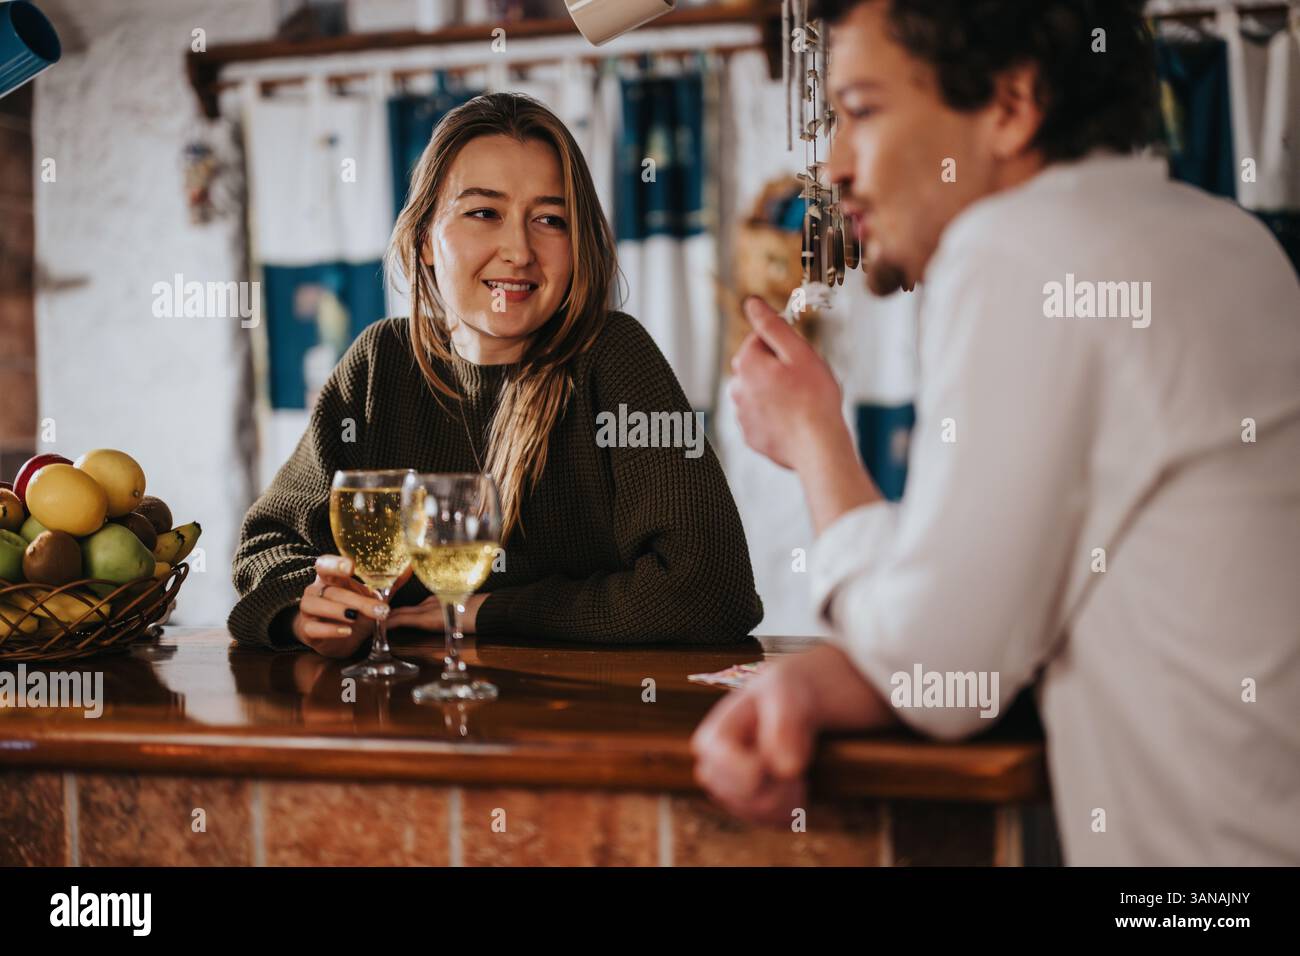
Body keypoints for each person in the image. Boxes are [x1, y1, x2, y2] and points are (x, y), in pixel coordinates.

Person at [692, 0, 1300, 865]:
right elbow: (993, 601)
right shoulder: (1231, 242)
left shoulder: (1023, 251)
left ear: (1012, 106)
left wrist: (813, 439)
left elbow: (943, 675)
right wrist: (824, 678)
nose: (835, 167)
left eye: (862, 111)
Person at [229, 92, 762, 654]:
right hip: (408, 727)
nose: (519, 250)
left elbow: (711, 593)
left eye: (550, 220)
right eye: (484, 213)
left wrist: (487, 612)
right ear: (426, 239)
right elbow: (266, 546)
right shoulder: (378, 363)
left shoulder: (615, 356)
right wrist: (304, 610)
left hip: (578, 726)